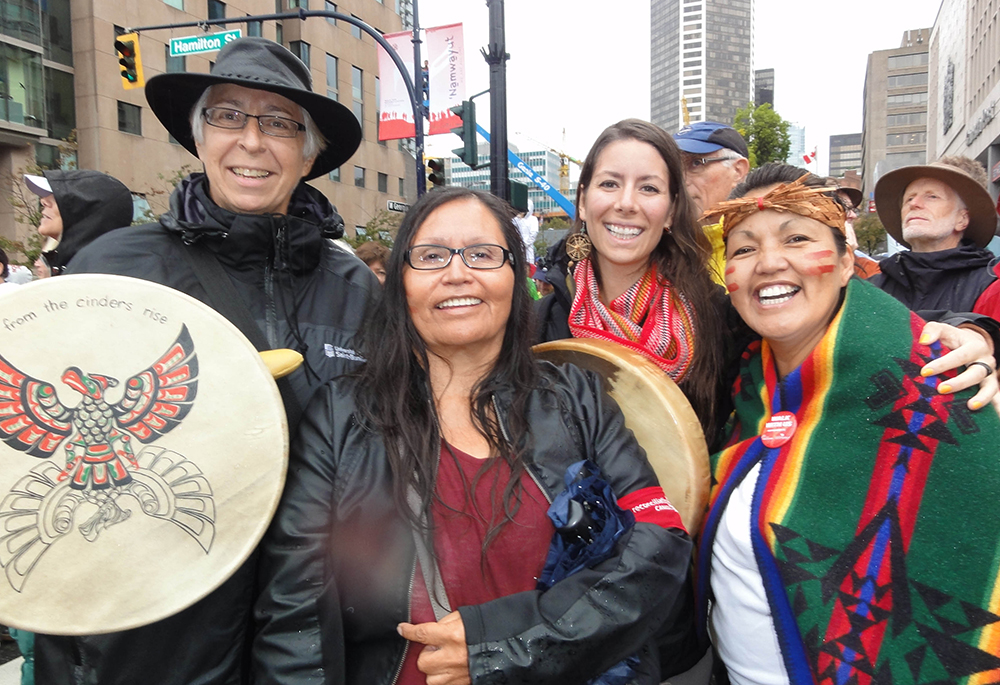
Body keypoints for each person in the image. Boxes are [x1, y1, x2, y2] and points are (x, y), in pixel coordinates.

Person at [253, 187, 697, 684]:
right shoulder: (342, 414)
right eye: (431, 256)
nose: (457, 273)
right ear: (401, 282)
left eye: (483, 254)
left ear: (516, 276)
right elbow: (296, 612)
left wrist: (506, 644)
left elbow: (659, 543)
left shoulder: (575, 397)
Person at [33, 37, 374, 685]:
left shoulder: (357, 290)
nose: (251, 140)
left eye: (280, 123)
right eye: (228, 115)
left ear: (309, 154)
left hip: (313, 622)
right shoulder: (119, 270)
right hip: (151, 625)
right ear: (198, 138)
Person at [695, 168, 1000, 684]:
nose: (769, 262)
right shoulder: (745, 377)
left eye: (796, 238)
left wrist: (981, 335)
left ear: (845, 263)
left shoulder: (935, 391)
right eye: (743, 249)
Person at [870, 157, 1000, 317]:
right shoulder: (872, 288)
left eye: (932, 197)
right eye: (908, 198)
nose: (914, 203)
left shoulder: (991, 287)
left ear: (962, 219)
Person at [673, 120, 750, 283]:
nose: (682, 180)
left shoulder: (767, 253)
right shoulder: (659, 250)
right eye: (675, 168)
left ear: (738, 171)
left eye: (695, 163)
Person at [23, 169, 134, 277]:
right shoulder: (78, 266)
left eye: (59, 198)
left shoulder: (98, 273)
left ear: (88, 212)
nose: (43, 201)